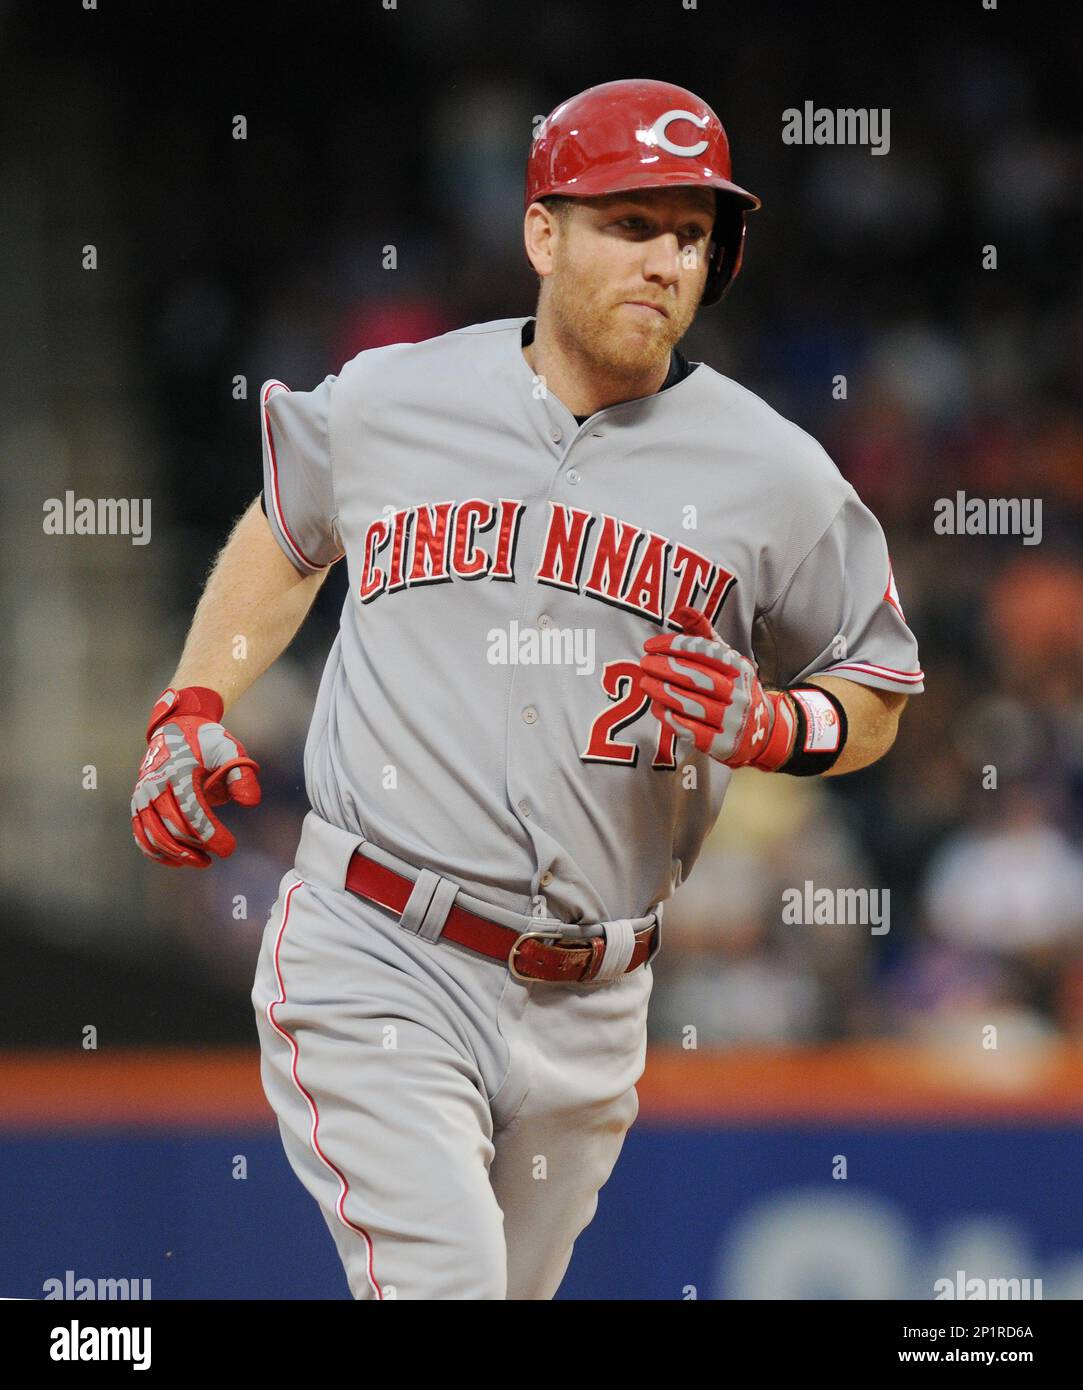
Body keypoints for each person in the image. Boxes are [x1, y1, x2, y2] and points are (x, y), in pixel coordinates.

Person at [130, 78, 924, 1299]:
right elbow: (289, 533)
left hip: (595, 996)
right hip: (379, 947)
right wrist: (192, 704)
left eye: (692, 234)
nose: (666, 259)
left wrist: (779, 724)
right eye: (632, 223)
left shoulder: (777, 474)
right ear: (543, 233)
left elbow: (875, 685)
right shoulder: (395, 400)